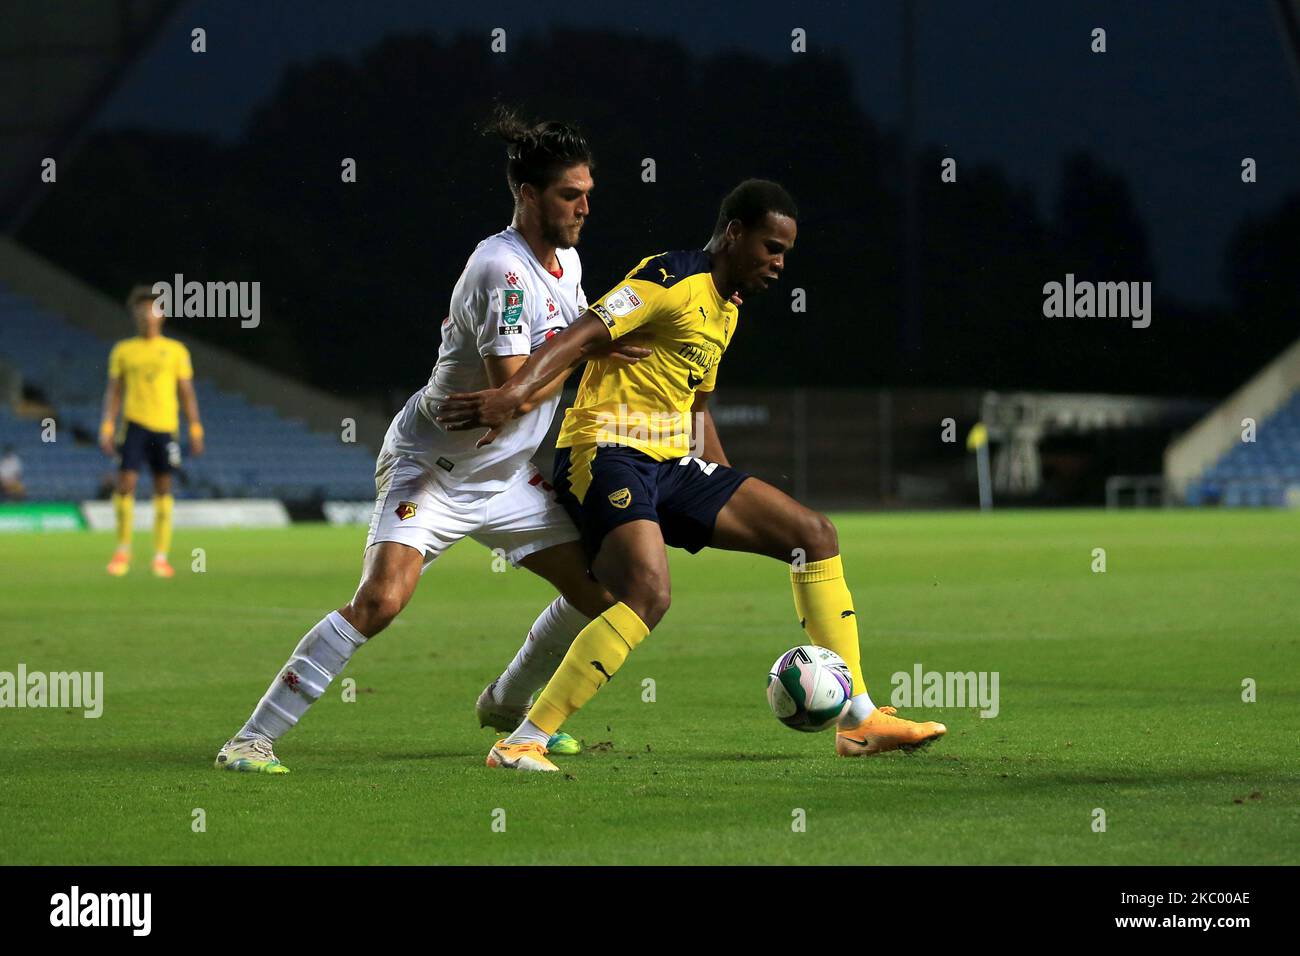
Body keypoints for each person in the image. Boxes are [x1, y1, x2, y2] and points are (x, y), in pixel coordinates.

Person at [437, 179, 947, 772]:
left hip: (672, 462)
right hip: (603, 451)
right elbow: (578, 339)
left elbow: (696, 408)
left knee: (815, 535)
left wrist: (724, 493)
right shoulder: (667, 279)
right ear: (734, 232)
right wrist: (513, 394)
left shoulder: (727, 310)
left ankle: (859, 722)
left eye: (786, 253)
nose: (780, 264)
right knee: (648, 594)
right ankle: (522, 740)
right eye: (771, 248)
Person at [214, 110, 649, 774]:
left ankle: (507, 705)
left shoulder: (568, 261)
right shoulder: (501, 271)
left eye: (589, 191)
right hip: (434, 469)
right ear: (528, 196)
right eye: (570, 194)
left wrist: (601, 345)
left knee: (605, 594)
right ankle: (249, 740)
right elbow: (513, 393)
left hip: (505, 479)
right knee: (381, 602)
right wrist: (590, 349)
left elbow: (564, 352)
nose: (585, 206)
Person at [100, 287, 204, 577]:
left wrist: (195, 427)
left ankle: (160, 556)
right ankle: (122, 551)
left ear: (163, 314)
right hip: (133, 426)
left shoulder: (176, 351)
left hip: (165, 428)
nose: (147, 314)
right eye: (141, 309)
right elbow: (114, 392)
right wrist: (107, 425)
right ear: (135, 315)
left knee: (163, 488)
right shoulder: (123, 350)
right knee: (125, 484)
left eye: (153, 308)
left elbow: (187, 393)